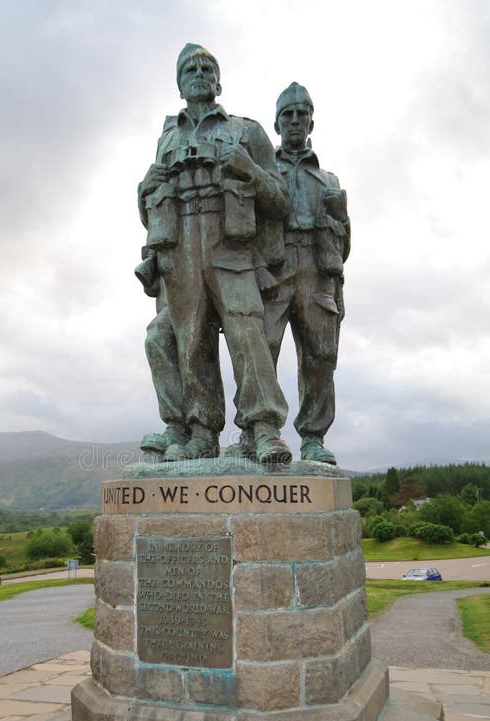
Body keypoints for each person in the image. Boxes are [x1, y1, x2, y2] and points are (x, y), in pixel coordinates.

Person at [137, 43, 292, 464]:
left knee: (247, 332)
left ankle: (264, 429)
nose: (200, 73)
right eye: (190, 69)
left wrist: (249, 169)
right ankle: (201, 433)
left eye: (207, 68)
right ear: (179, 84)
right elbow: (151, 209)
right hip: (181, 248)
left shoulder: (247, 131)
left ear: (219, 82)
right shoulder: (167, 138)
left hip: (231, 247)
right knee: (190, 342)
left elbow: (281, 201)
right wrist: (145, 189)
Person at [227, 83, 350, 465]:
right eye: (287, 115)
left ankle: (313, 437)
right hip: (274, 270)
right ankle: (253, 432)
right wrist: (255, 269)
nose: (295, 120)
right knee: (259, 350)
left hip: (317, 270)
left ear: (311, 121)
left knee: (320, 357)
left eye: (301, 114)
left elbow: (345, 243)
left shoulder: (328, 180)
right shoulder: (265, 170)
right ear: (277, 124)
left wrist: (341, 218)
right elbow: (243, 224)